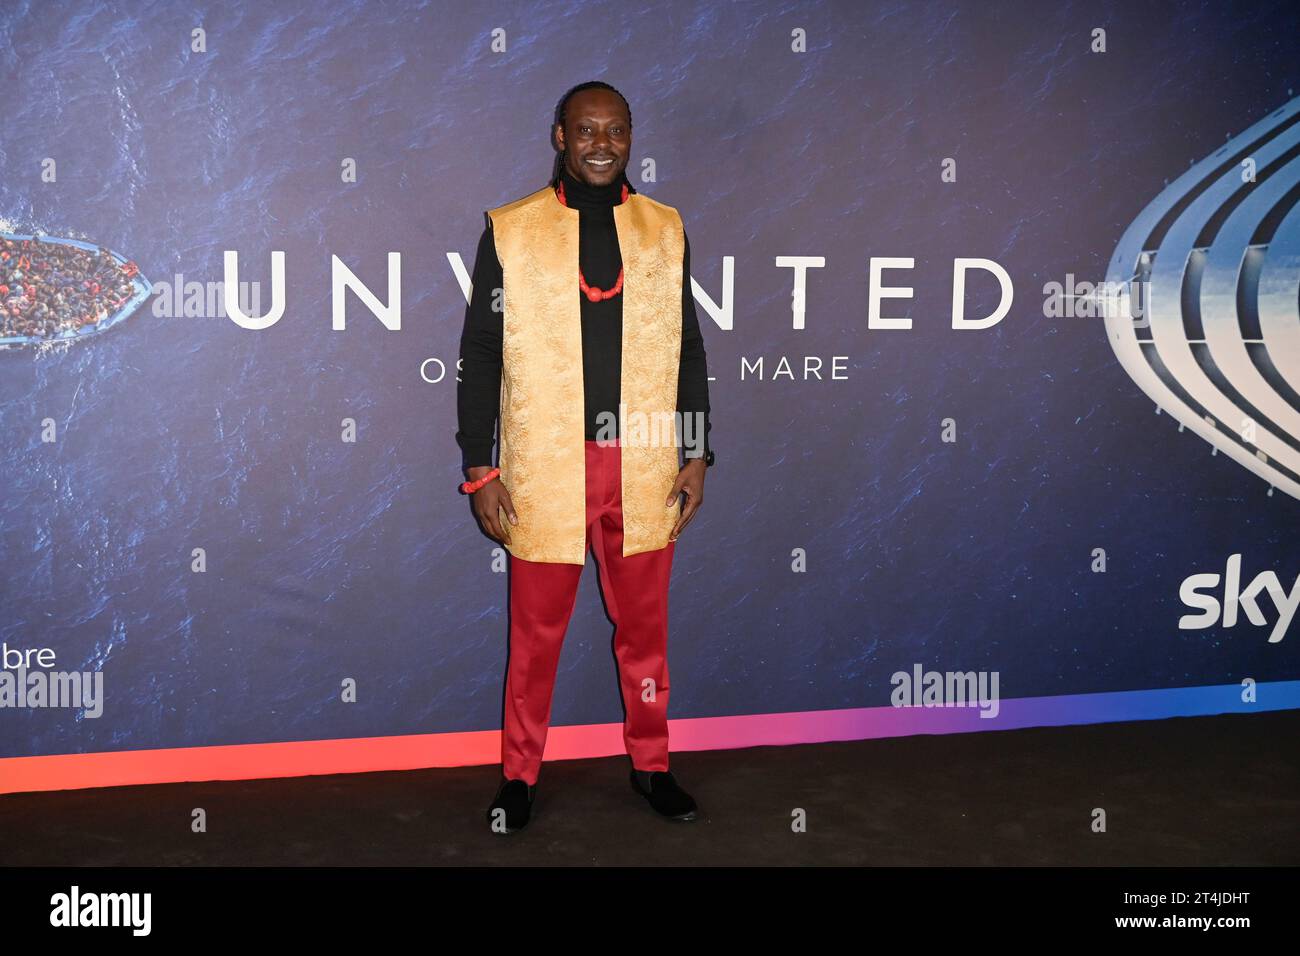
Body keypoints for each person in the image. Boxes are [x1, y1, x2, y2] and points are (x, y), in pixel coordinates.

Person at [456, 81, 714, 833]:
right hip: (545, 467)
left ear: (631, 138)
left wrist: (696, 452)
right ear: (559, 138)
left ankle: (652, 765)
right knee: (534, 641)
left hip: (643, 466)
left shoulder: (665, 228)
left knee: (645, 634)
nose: (603, 143)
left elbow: (689, 349)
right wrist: (482, 468)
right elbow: (479, 352)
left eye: (617, 130)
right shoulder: (511, 229)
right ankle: (519, 778)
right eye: (587, 130)